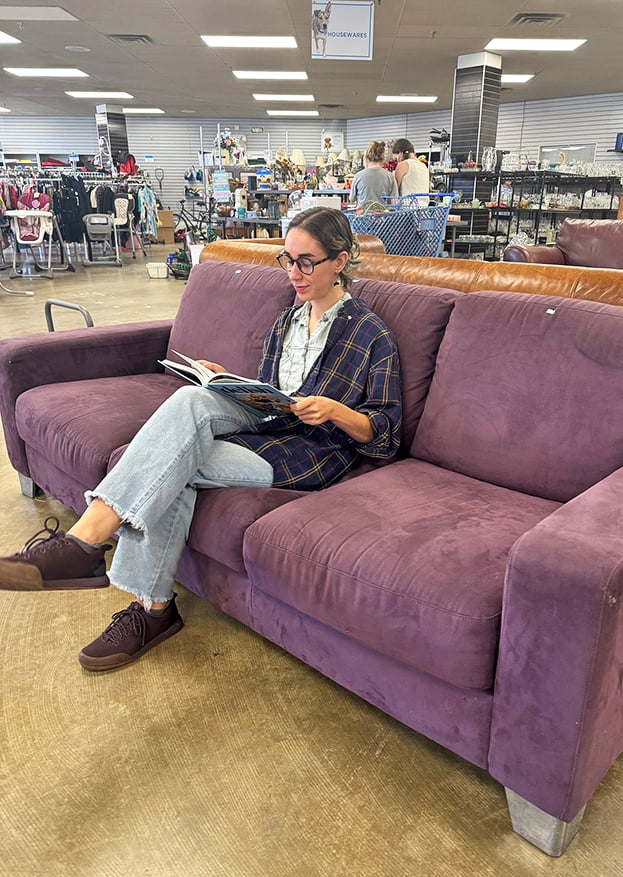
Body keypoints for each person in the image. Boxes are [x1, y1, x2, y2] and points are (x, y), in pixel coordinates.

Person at [0, 208, 402, 672]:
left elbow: (385, 435)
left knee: (172, 463)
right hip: (265, 420)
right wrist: (229, 380)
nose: (293, 273)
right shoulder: (287, 321)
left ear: (341, 261)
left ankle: (136, 596)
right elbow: (273, 394)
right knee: (193, 399)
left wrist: (335, 410)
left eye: (306, 261)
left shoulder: (372, 335)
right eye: (286, 260)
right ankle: (89, 552)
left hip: (308, 450)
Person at [348, 140, 398, 209]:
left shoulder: (358, 176)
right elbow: (394, 201)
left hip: (362, 217)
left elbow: (352, 199)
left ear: (366, 158)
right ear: (383, 159)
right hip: (383, 217)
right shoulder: (390, 176)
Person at [392, 138, 430, 206]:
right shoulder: (423, 166)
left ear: (400, 153)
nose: (397, 160)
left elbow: (394, 190)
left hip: (408, 209)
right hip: (424, 209)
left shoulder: (403, 164)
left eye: (396, 158)